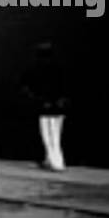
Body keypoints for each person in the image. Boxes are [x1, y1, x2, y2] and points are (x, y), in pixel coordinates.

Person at [22, 42, 68, 171]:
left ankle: (57, 162)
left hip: (45, 107)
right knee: (56, 135)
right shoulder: (59, 68)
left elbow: (27, 87)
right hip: (58, 107)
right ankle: (50, 159)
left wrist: (36, 99)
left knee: (49, 136)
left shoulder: (36, 69)